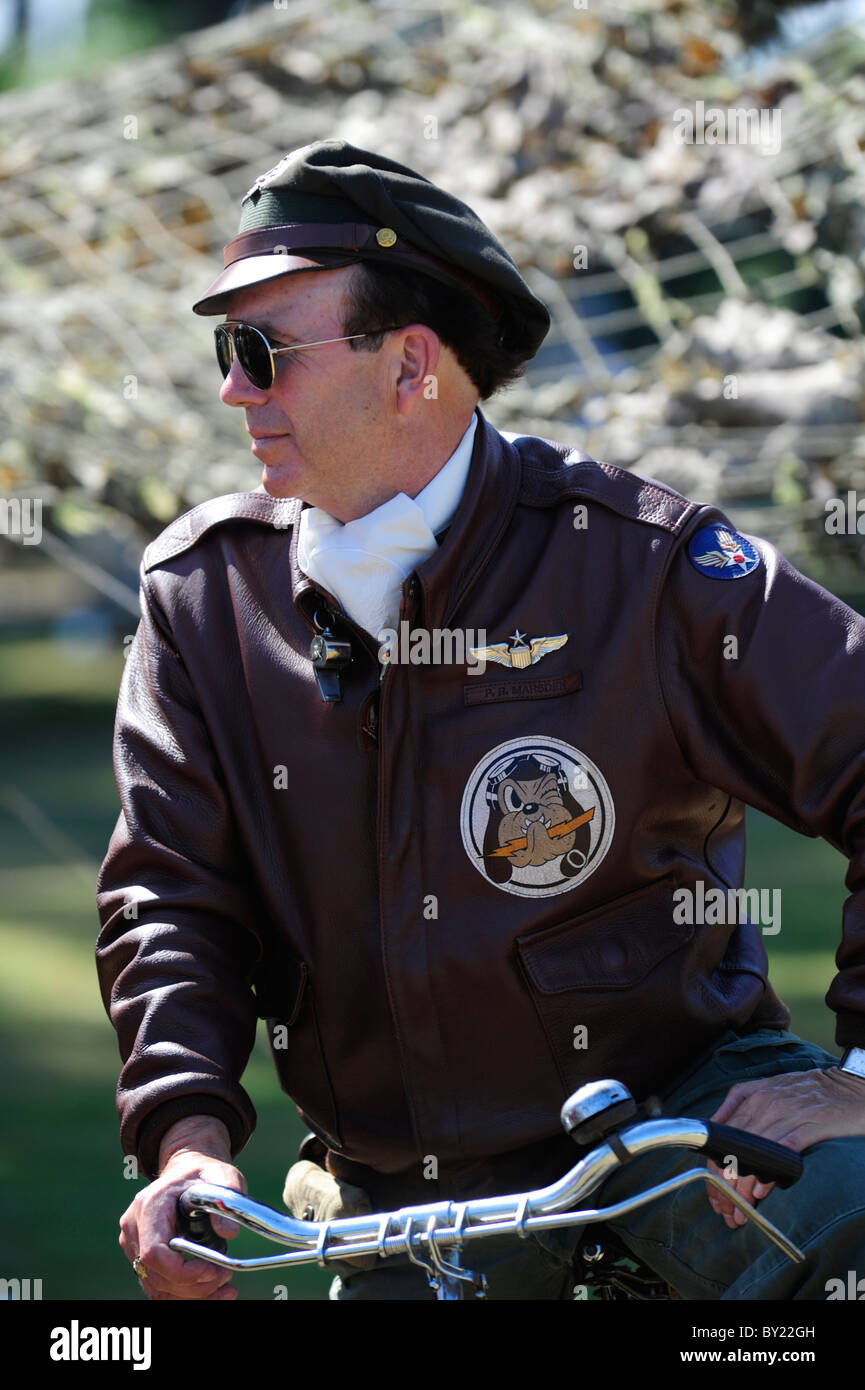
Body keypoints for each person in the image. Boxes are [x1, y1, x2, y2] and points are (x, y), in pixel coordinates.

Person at [96, 139, 865, 1302]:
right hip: (398, 1212)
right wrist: (185, 1134)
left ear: (411, 365)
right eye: (226, 350)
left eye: (264, 352)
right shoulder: (202, 598)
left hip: (681, 1163)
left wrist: (859, 1077)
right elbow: (169, 893)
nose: (232, 390)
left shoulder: (644, 568)